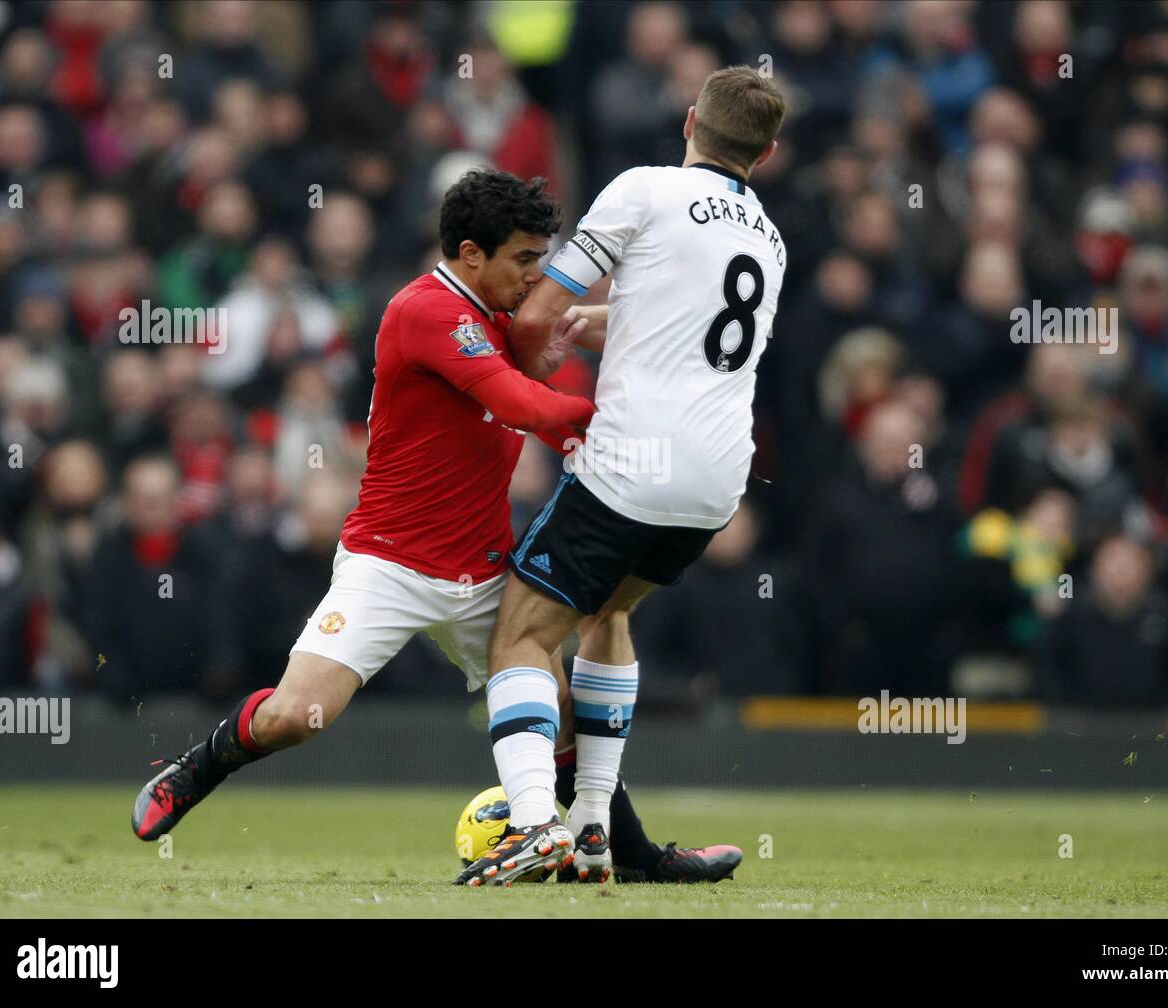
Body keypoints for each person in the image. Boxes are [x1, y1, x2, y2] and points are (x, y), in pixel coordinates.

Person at [130, 169, 736, 885]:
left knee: (557, 710)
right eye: (523, 260)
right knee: (298, 715)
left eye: (542, 258)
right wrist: (629, 431)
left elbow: (584, 329)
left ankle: (628, 853)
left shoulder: (505, 316)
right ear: (472, 254)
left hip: (481, 567)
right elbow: (521, 404)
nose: (535, 276)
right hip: (388, 564)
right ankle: (197, 768)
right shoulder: (424, 310)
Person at [455, 67, 786, 886]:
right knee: (609, 614)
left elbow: (534, 314)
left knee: (523, 637)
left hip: (632, 462)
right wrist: (592, 324)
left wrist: (514, 386)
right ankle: (596, 826)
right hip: (715, 480)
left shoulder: (644, 190)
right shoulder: (770, 240)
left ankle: (534, 823)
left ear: (688, 123)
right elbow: (676, 327)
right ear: (767, 152)